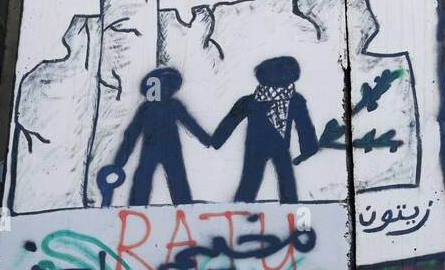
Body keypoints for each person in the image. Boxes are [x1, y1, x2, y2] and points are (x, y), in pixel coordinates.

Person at [210, 55, 318, 203]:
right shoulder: (252, 101)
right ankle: (243, 210)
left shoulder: (293, 100)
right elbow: (231, 120)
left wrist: (216, 141)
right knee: (252, 182)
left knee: (284, 183)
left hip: (271, 147)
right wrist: (309, 148)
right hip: (258, 148)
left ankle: (287, 211)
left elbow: (303, 125)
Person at [97, 68, 210, 207]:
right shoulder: (148, 107)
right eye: (165, 86)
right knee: (144, 179)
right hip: (153, 149)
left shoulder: (172, 105)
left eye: (171, 87)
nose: (168, 90)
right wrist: (119, 162)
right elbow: (132, 134)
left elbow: (191, 124)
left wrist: (206, 139)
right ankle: (137, 209)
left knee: (176, 179)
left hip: (169, 150)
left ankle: (183, 208)